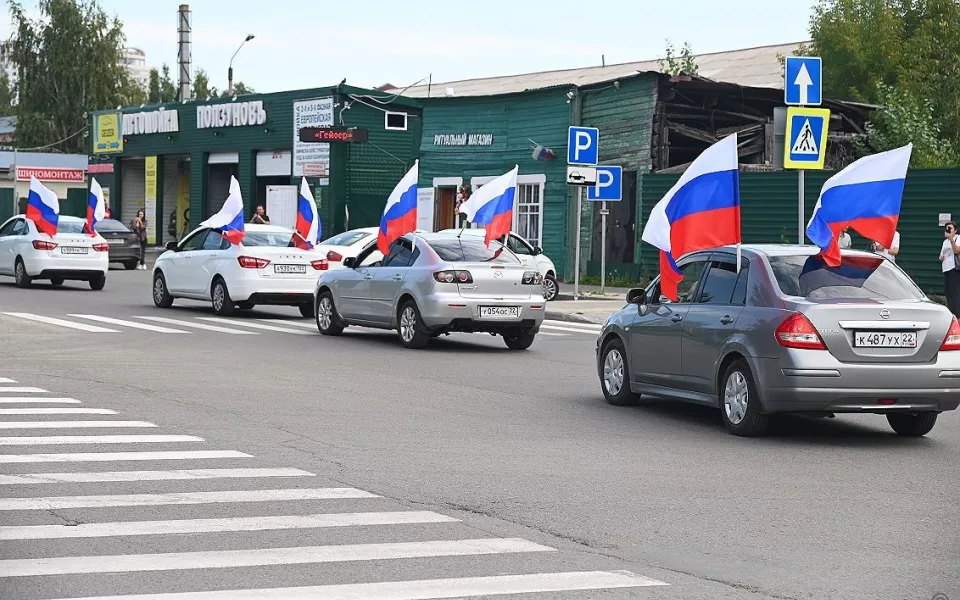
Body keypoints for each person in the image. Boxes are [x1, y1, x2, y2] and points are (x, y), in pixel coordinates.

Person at [940, 222, 960, 317]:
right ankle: (951, 313)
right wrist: (941, 258)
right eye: (946, 229)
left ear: (955, 230)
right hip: (946, 268)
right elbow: (941, 256)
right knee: (947, 292)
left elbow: (956, 250)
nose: (947, 231)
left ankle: (956, 314)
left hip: (954, 268)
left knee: (954, 292)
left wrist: (951, 239)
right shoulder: (945, 242)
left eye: (950, 229)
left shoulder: (958, 238)